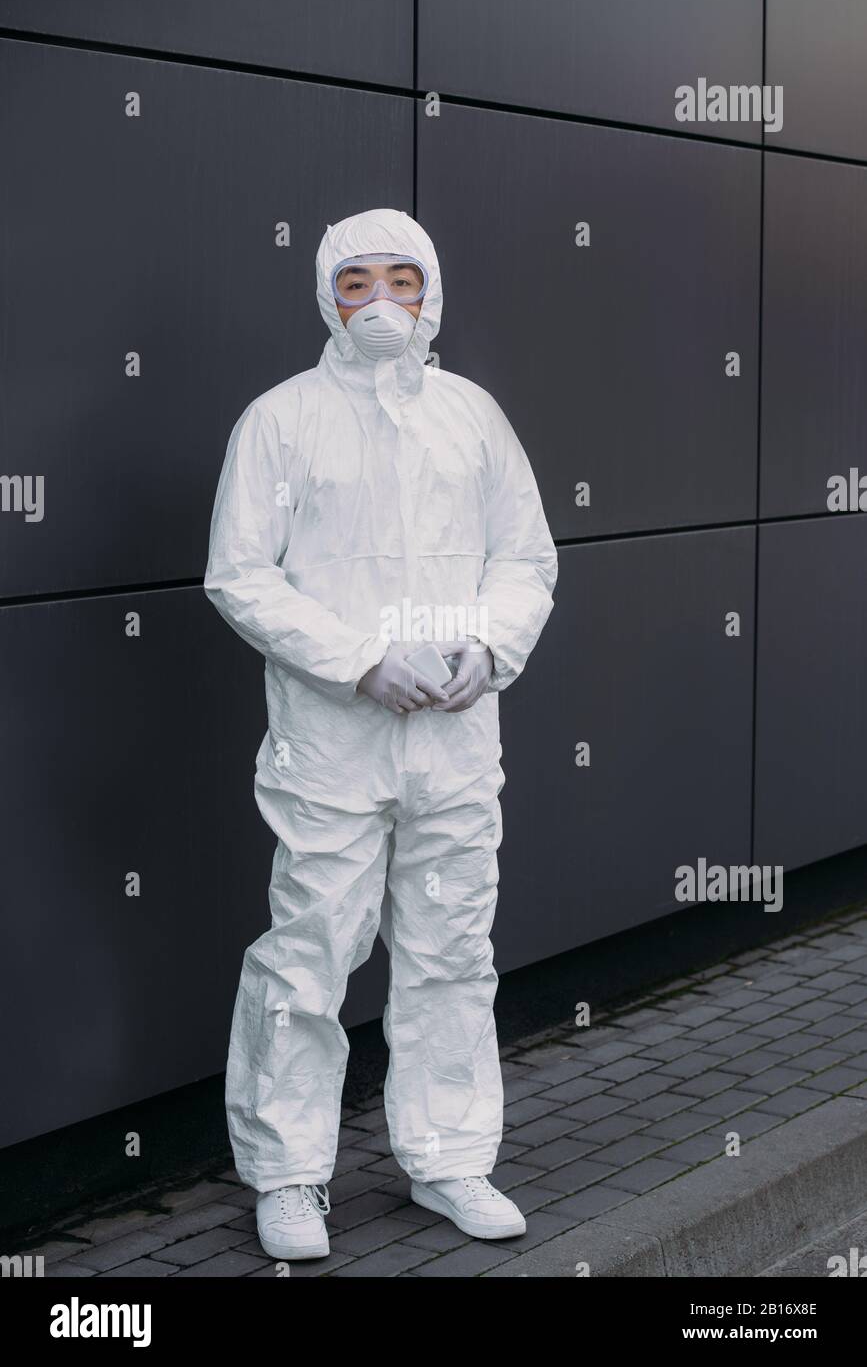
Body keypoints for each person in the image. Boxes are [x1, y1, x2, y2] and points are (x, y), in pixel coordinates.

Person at [204, 207, 557, 1261]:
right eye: (357, 282)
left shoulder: (473, 418)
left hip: (454, 739)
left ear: (432, 291)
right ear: (326, 294)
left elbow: (524, 558)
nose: (381, 302)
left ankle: (449, 1158)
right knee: (310, 955)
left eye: (403, 279)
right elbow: (240, 572)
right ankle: (287, 1174)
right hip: (333, 746)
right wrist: (359, 656)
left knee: (453, 953)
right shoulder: (280, 420)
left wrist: (486, 649)